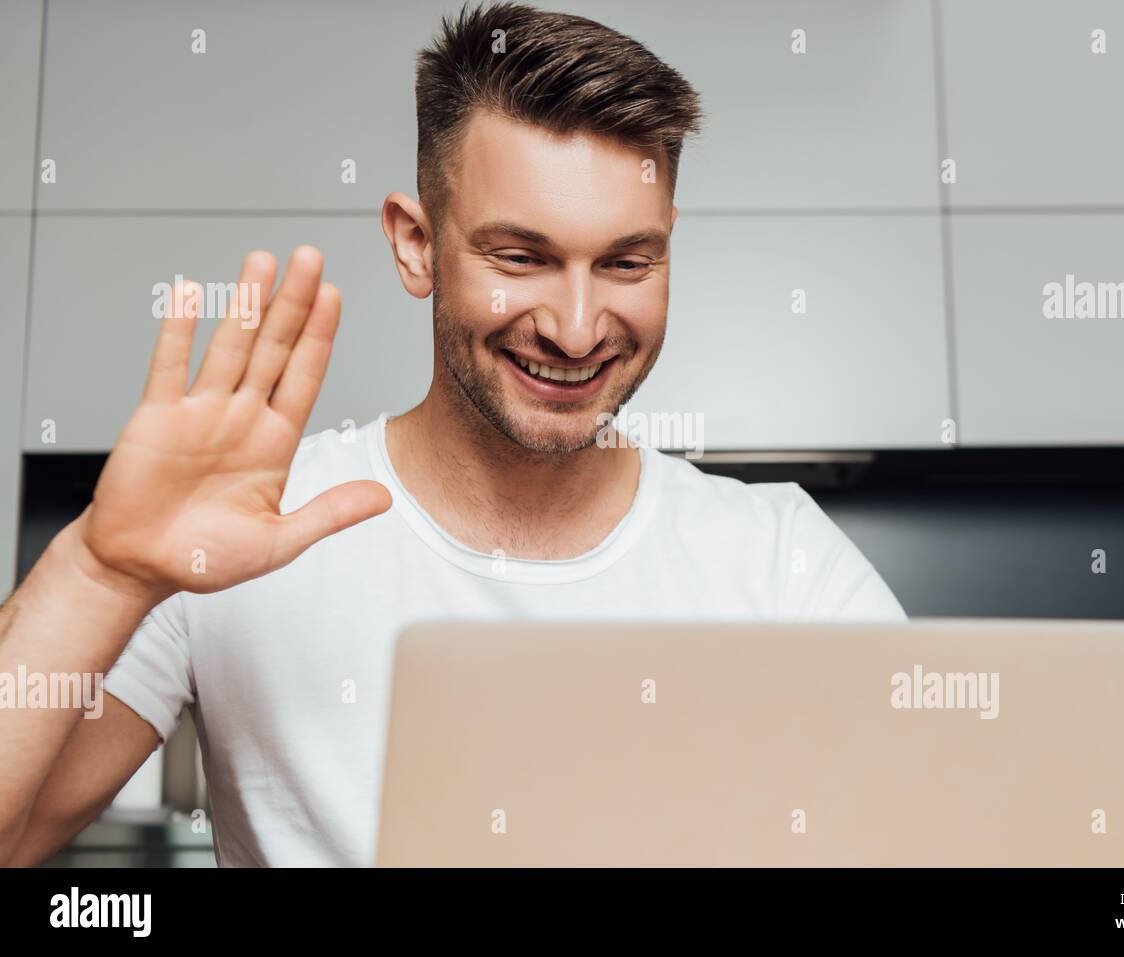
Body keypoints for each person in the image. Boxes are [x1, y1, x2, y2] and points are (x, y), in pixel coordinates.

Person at [0, 1, 904, 867]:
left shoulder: (784, 563)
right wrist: (101, 571)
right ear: (415, 245)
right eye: (521, 257)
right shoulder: (245, 534)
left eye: (628, 262)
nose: (579, 327)